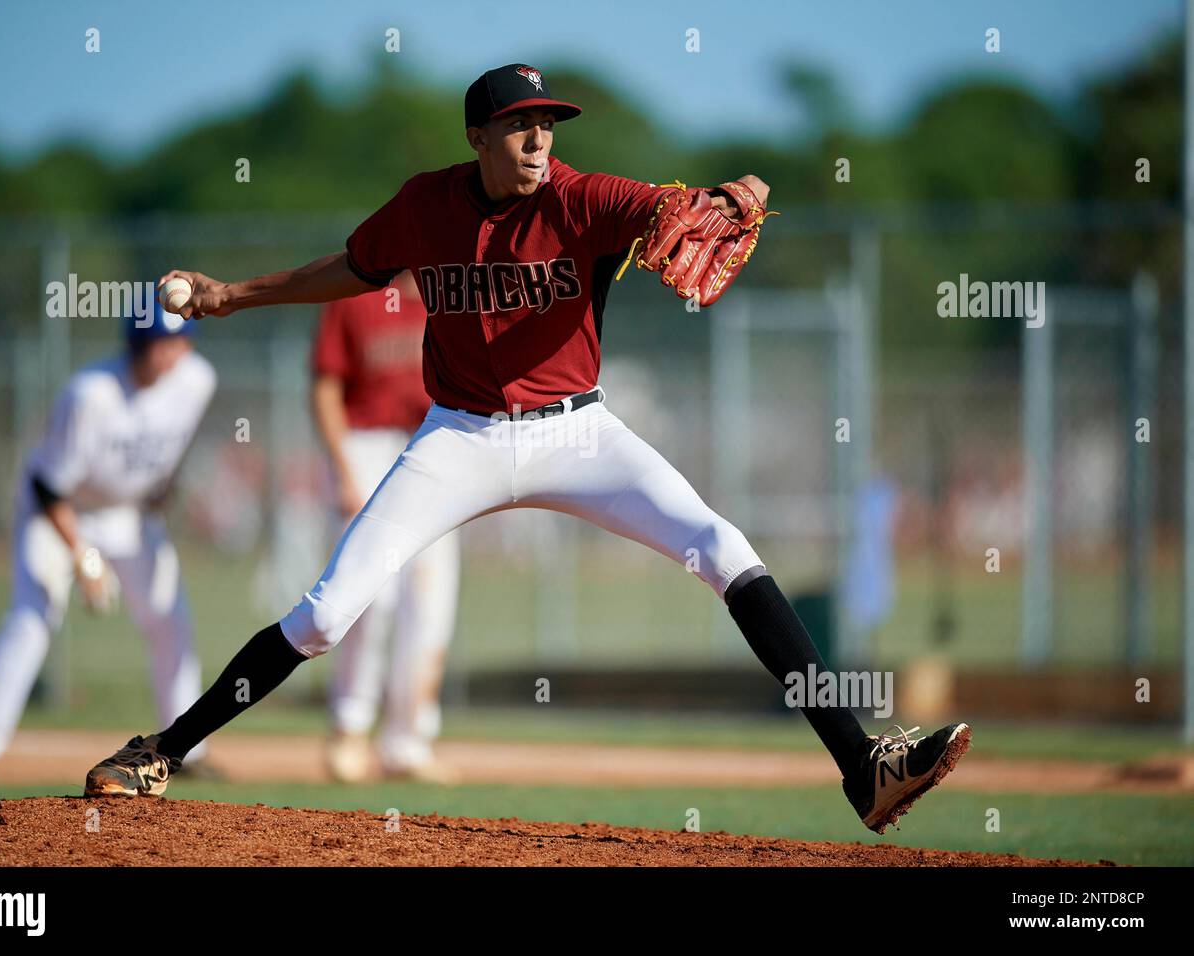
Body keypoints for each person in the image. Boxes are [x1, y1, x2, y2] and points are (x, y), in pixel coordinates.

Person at [83, 64, 970, 834]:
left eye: (546, 123)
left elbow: (670, 206)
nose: (538, 137)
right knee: (322, 615)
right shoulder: (426, 205)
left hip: (579, 433)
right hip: (458, 437)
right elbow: (350, 269)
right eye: (518, 124)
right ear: (478, 135)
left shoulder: (585, 199)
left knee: (723, 549)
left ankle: (864, 766)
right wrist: (231, 295)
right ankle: (161, 749)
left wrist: (738, 193)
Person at [0, 299, 219, 782]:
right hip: (59, 514)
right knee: (33, 617)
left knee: (170, 619)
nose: (171, 354)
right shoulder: (92, 394)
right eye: (160, 343)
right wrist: (83, 557)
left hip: (127, 515)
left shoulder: (197, 381)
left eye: (179, 343)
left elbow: (164, 454)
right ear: (136, 343)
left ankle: (187, 752)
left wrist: (161, 492)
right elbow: (47, 485)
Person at [310, 269, 460, 782]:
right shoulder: (358, 299)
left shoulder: (457, 293)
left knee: (431, 602)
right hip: (367, 444)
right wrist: (342, 467)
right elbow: (327, 386)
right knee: (369, 597)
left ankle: (408, 742)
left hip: (435, 443)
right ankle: (349, 731)